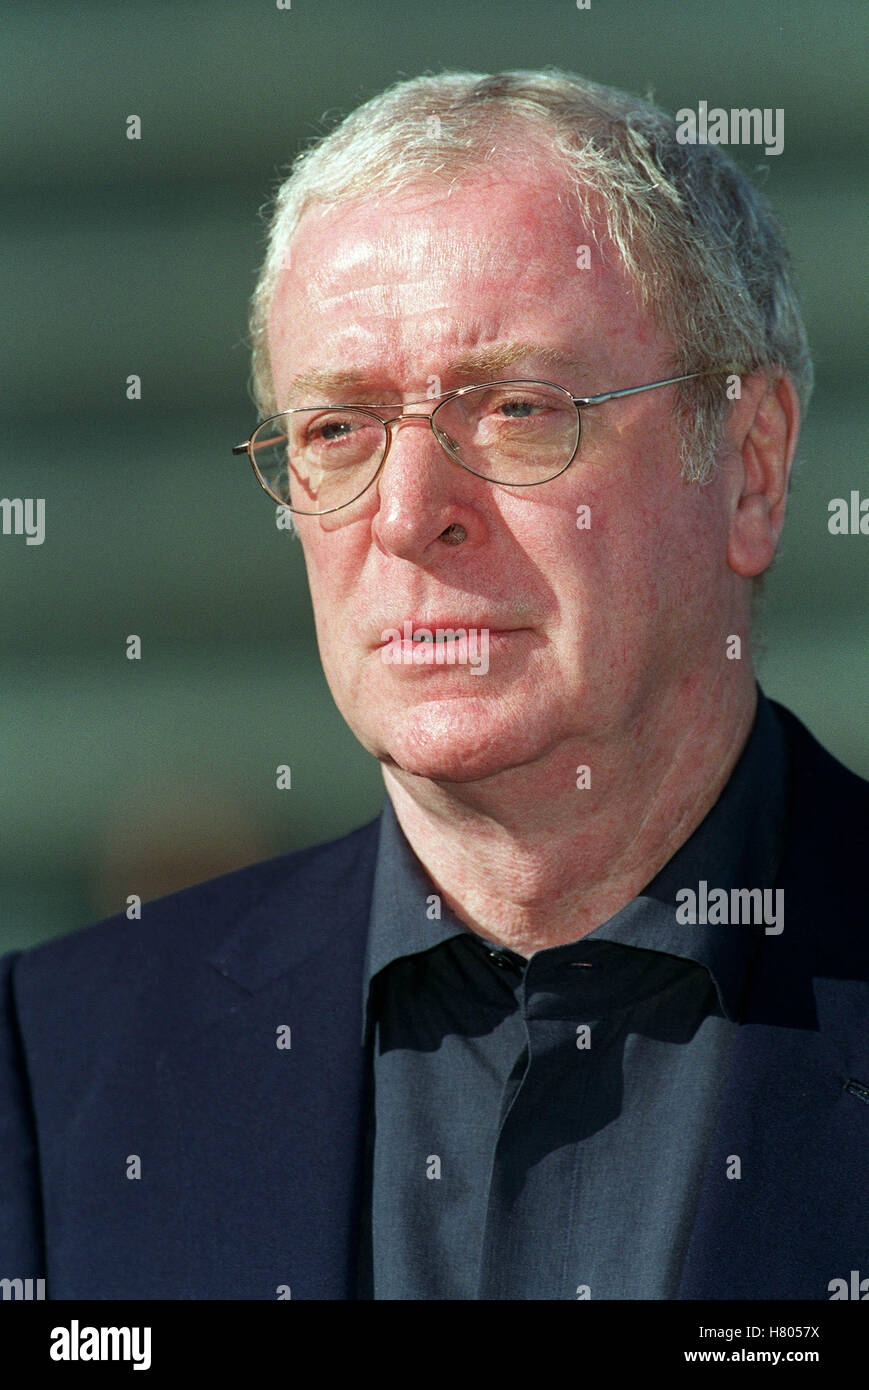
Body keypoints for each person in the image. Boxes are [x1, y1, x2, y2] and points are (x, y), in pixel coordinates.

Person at [1, 69, 866, 1302]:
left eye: (517, 409)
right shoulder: (60, 1063)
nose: (406, 517)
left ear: (750, 468)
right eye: (337, 429)